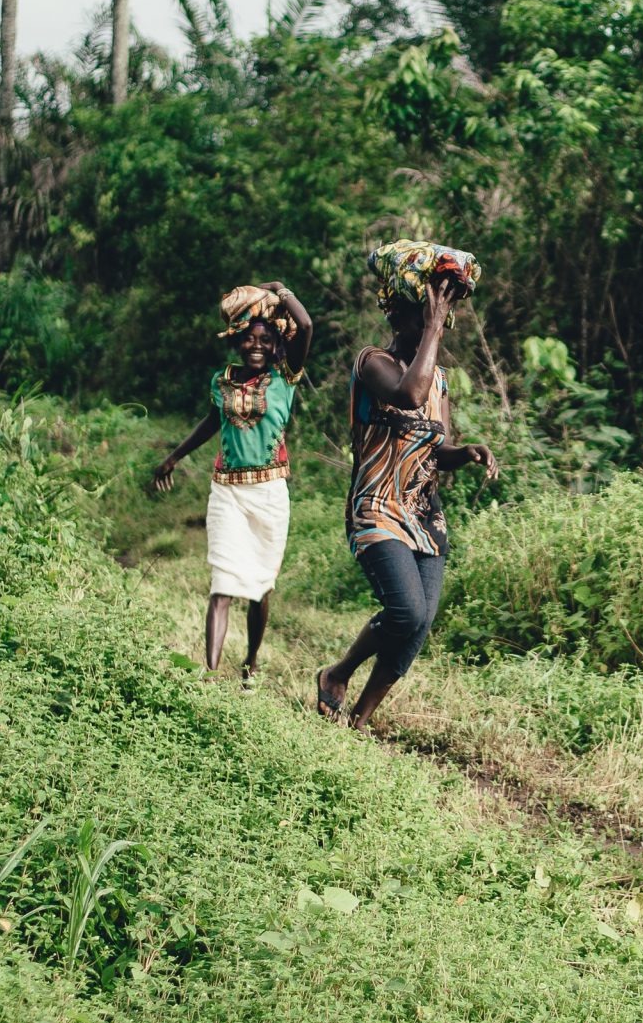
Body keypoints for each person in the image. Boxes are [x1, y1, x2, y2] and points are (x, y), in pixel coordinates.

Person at [315, 240, 498, 731]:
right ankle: (337, 674)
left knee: (419, 625)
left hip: (424, 515)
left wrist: (466, 452)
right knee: (405, 610)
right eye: (426, 317)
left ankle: (360, 720)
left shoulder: (440, 380)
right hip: (376, 507)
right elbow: (408, 395)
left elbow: (436, 447)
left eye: (440, 319)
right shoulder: (372, 363)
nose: (437, 326)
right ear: (397, 315)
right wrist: (433, 326)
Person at [147, 282, 313, 688]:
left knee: (260, 588)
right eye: (249, 339)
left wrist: (279, 289)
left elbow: (306, 325)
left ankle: (250, 664)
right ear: (237, 342)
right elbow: (212, 422)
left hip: (270, 495)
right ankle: (210, 674)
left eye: (265, 340)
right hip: (227, 492)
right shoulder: (220, 381)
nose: (256, 346)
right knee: (222, 585)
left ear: (275, 345)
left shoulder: (285, 376)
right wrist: (174, 457)